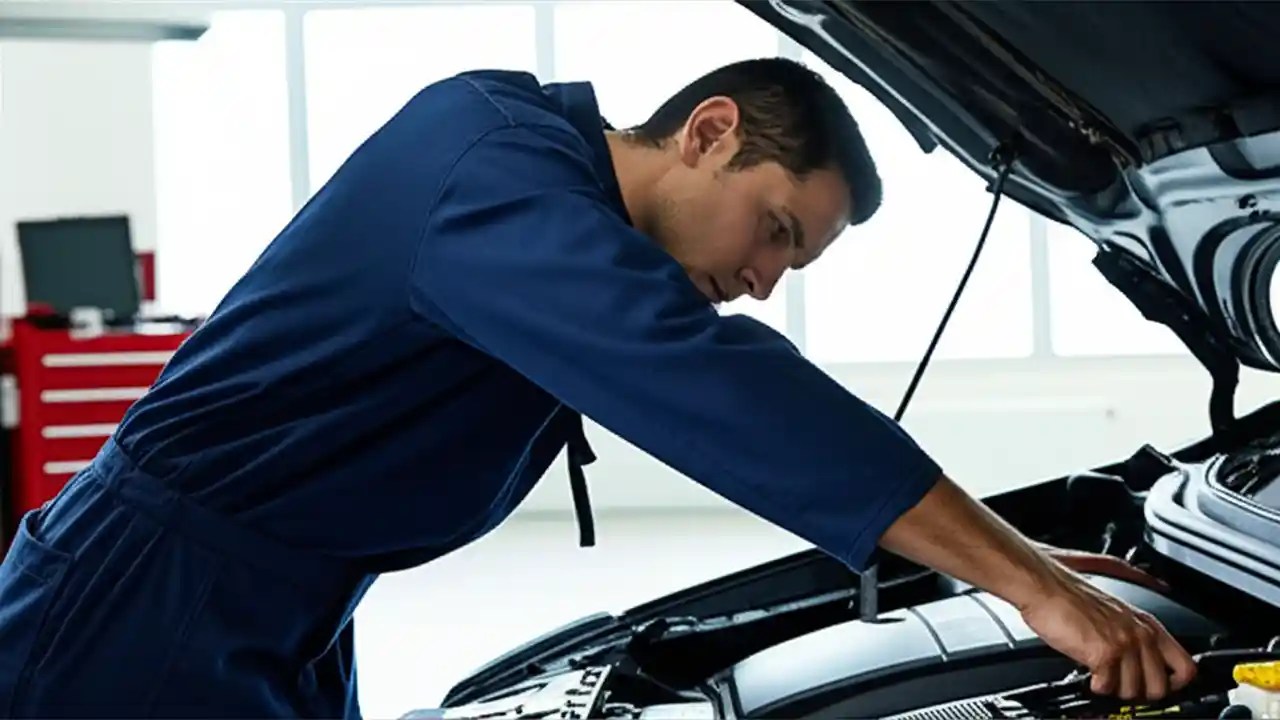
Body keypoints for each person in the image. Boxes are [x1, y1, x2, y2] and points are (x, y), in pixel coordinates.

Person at [0, 58, 1196, 718]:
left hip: (282, 609)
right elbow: (726, 392)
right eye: (776, 230)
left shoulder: (537, 181)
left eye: (796, 262)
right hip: (140, 603)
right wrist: (1031, 586)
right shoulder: (488, 166)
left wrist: (997, 559)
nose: (765, 281)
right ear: (708, 131)